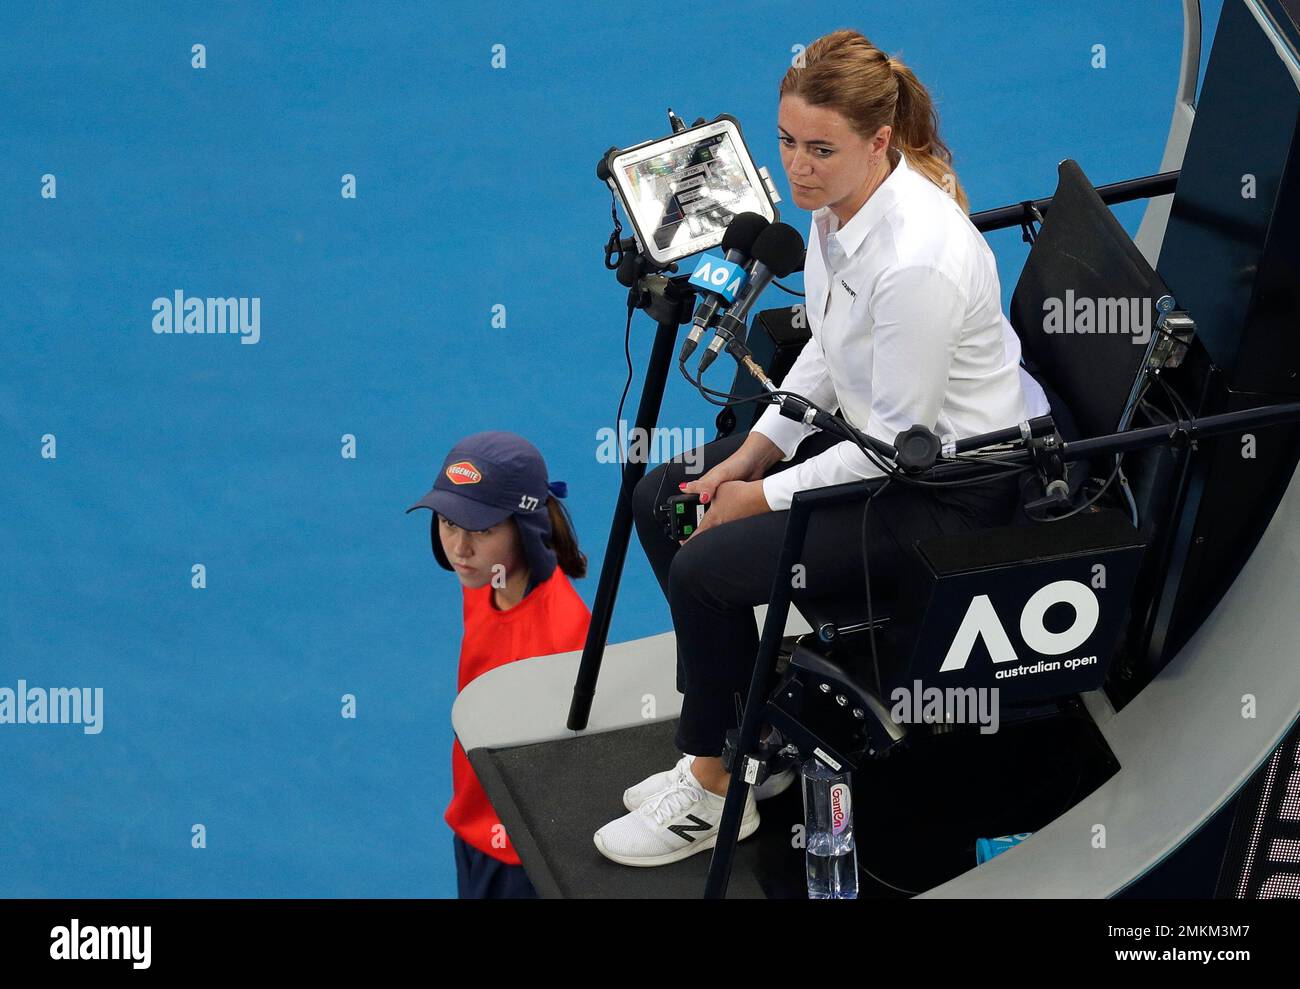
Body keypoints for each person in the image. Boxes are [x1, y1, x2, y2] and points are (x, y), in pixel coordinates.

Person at [593, 28, 1051, 868]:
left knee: (707, 564)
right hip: (889, 452)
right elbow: (831, 348)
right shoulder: (840, 203)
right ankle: (751, 737)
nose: (798, 168)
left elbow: (888, 450)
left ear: (879, 141)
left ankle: (711, 784)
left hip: (952, 494)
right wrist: (752, 453)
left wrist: (757, 500)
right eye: (787, 142)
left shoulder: (917, 262)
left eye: (820, 149)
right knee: (665, 497)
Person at [407, 430, 590, 897]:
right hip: (472, 828)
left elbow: (575, 776)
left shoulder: (564, 634)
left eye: (482, 530)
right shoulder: (485, 580)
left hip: (525, 858)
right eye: (449, 523)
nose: (460, 548)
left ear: (524, 527)